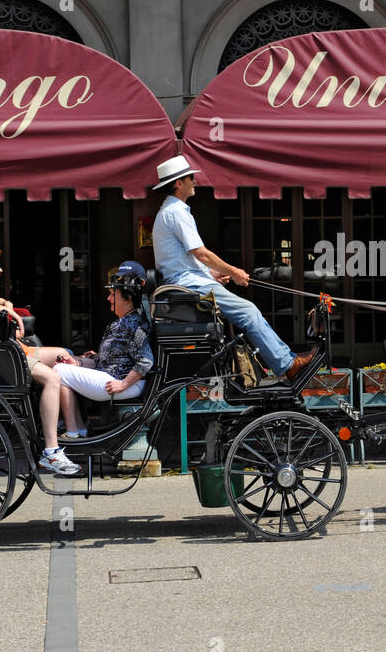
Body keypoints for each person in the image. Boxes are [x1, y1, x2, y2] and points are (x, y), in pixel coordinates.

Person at [150, 155, 316, 382]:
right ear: (179, 183)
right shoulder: (177, 212)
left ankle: (279, 363)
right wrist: (234, 272)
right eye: (190, 178)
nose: (194, 182)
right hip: (191, 285)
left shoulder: (167, 212)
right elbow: (201, 253)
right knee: (248, 312)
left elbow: (180, 260)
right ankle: (287, 364)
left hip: (188, 282)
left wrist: (211, 274)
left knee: (246, 312)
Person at [0, 238, 78, 476]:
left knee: (63, 355)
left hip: (10, 351)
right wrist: (5, 309)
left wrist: (1, 303)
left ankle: (73, 429)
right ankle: (51, 451)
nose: (0, 268)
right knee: (51, 378)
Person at [55, 261, 155, 439]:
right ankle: (80, 428)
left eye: (113, 293)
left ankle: (73, 431)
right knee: (65, 364)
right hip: (114, 377)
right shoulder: (122, 321)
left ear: (128, 297)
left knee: (59, 372)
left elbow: (145, 360)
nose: (108, 298)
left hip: (122, 383)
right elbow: (107, 360)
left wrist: (123, 384)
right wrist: (78, 362)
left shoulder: (135, 324)